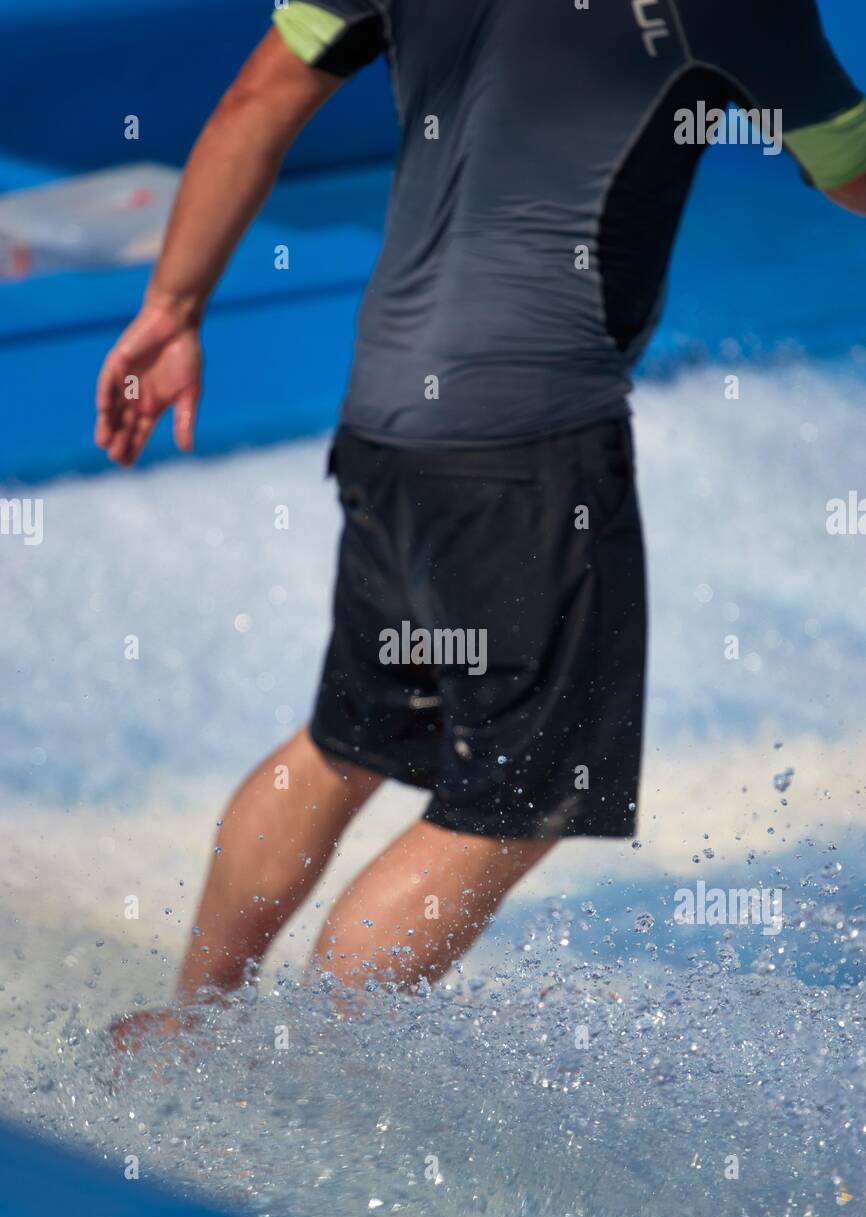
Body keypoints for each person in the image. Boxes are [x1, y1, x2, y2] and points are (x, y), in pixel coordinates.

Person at [98, 0, 866, 1044]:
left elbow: (257, 97)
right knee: (516, 804)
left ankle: (186, 1031)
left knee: (346, 740)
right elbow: (848, 165)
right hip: (529, 448)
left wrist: (173, 307)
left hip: (385, 420)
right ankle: (304, 1075)